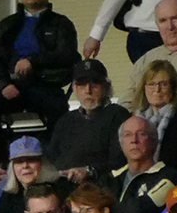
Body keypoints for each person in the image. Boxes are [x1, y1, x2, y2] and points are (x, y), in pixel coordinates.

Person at [0, 0, 80, 169]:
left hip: (46, 86)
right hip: (12, 86)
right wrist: (3, 85)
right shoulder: (7, 25)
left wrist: (33, 61)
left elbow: (66, 54)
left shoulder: (61, 24)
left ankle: (54, 164)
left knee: (60, 112)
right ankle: (5, 161)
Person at [42, 60, 131, 189]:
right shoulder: (65, 120)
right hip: (64, 186)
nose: (88, 90)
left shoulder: (118, 115)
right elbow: (52, 157)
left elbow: (120, 161)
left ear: (106, 86)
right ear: (75, 88)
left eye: (95, 84)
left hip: (99, 187)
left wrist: (90, 171)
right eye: (82, 84)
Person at [128, 59, 177, 173]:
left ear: (173, 88)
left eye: (163, 84)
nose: (157, 90)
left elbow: (174, 159)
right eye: (151, 84)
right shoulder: (136, 119)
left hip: (171, 176)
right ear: (144, 88)